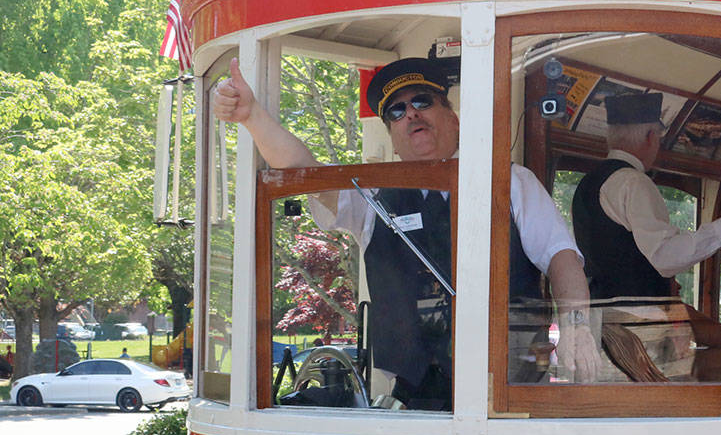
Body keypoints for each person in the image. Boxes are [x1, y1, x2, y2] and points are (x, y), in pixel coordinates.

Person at [212, 55, 599, 409]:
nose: (411, 114)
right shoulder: (373, 196)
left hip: (511, 392)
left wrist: (576, 327)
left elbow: (561, 257)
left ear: (453, 119)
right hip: (416, 401)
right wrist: (251, 117)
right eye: (397, 112)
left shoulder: (510, 182)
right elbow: (305, 172)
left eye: (423, 102)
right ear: (394, 140)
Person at [571, 91, 721, 378]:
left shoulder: (586, 186)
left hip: (601, 324)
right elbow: (665, 256)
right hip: (639, 330)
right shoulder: (632, 183)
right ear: (651, 136)